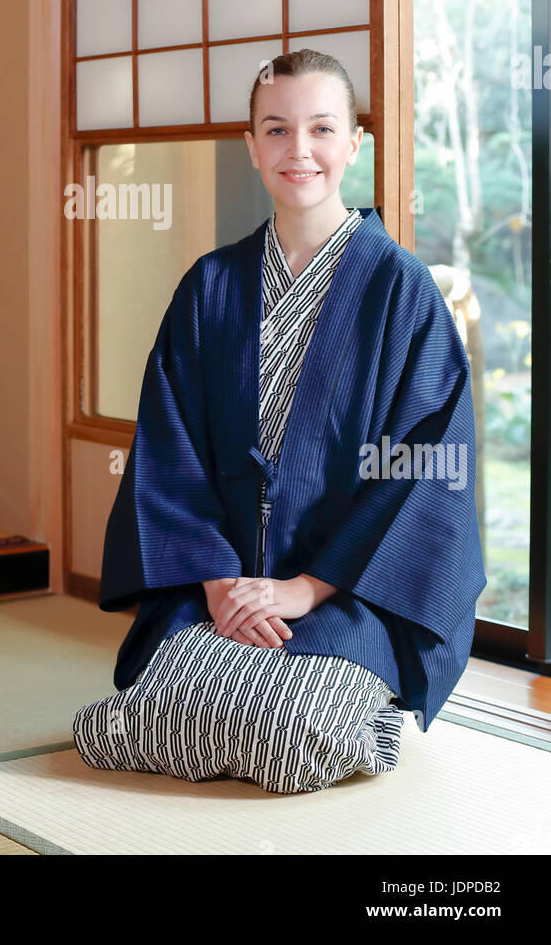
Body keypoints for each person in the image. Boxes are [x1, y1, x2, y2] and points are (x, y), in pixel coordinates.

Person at [72, 47, 487, 795]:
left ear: (355, 143)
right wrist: (218, 582)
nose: (300, 151)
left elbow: (425, 469)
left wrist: (306, 587)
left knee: (288, 737)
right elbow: (170, 452)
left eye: (322, 129)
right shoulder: (211, 285)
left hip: (349, 594)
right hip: (222, 589)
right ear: (251, 145)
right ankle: (249, 680)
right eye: (276, 129)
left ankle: (362, 709)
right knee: (132, 724)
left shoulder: (404, 292)